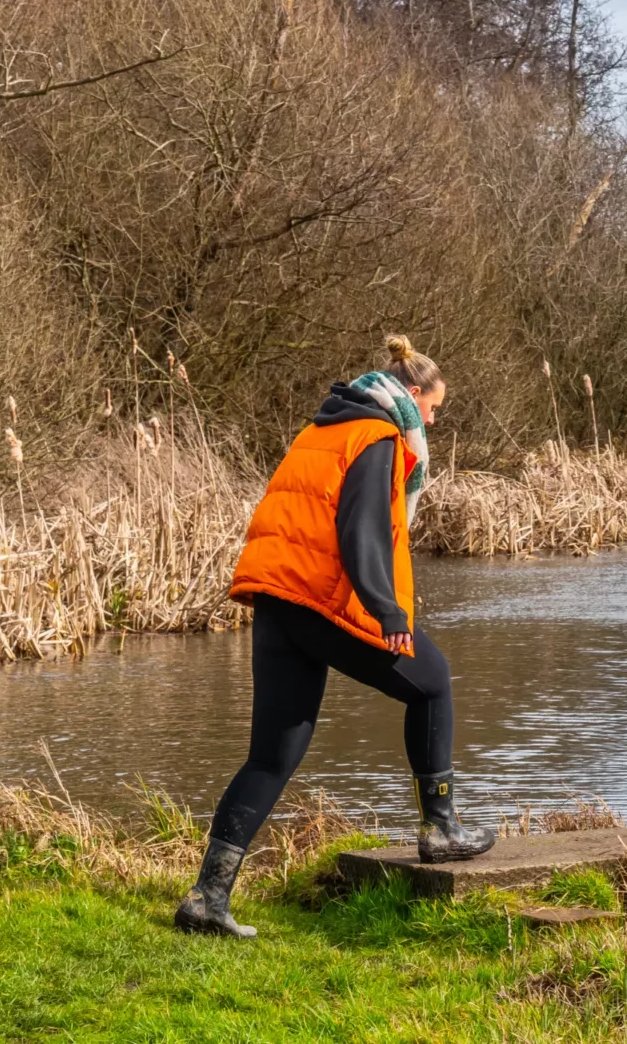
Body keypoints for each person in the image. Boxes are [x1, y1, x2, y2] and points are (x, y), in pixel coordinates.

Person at [175, 335, 494, 938]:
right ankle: (442, 828)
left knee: (273, 755)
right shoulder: (376, 437)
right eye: (433, 408)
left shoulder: (319, 430)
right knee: (433, 683)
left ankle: (207, 898)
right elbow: (361, 532)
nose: (433, 420)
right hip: (320, 598)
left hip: (278, 598)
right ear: (412, 395)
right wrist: (389, 614)